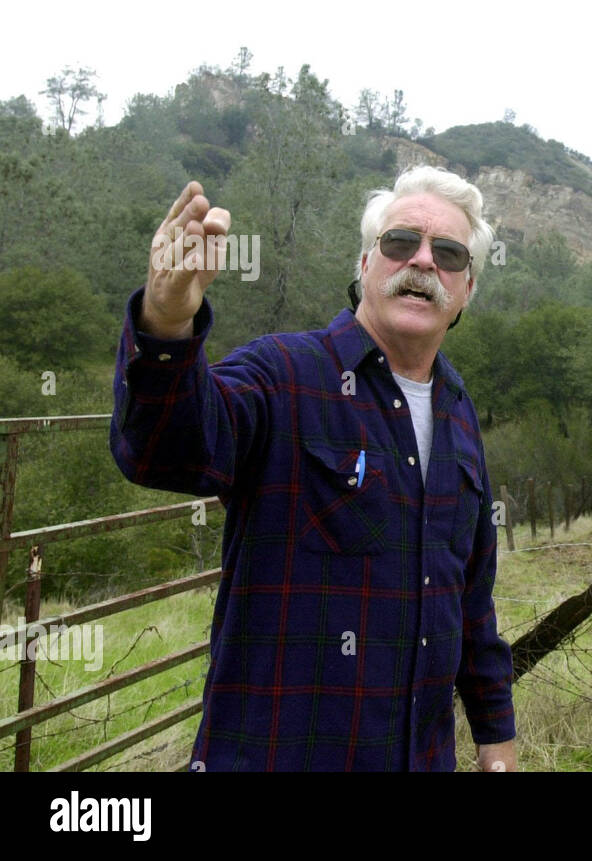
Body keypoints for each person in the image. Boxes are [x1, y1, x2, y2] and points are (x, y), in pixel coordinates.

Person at [110, 166, 516, 771]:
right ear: (364, 263)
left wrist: (495, 735)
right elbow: (164, 451)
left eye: (449, 253)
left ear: (467, 288)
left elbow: (471, 599)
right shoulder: (282, 374)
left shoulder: (460, 413)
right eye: (401, 242)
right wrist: (167, 324)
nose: (424, 261)